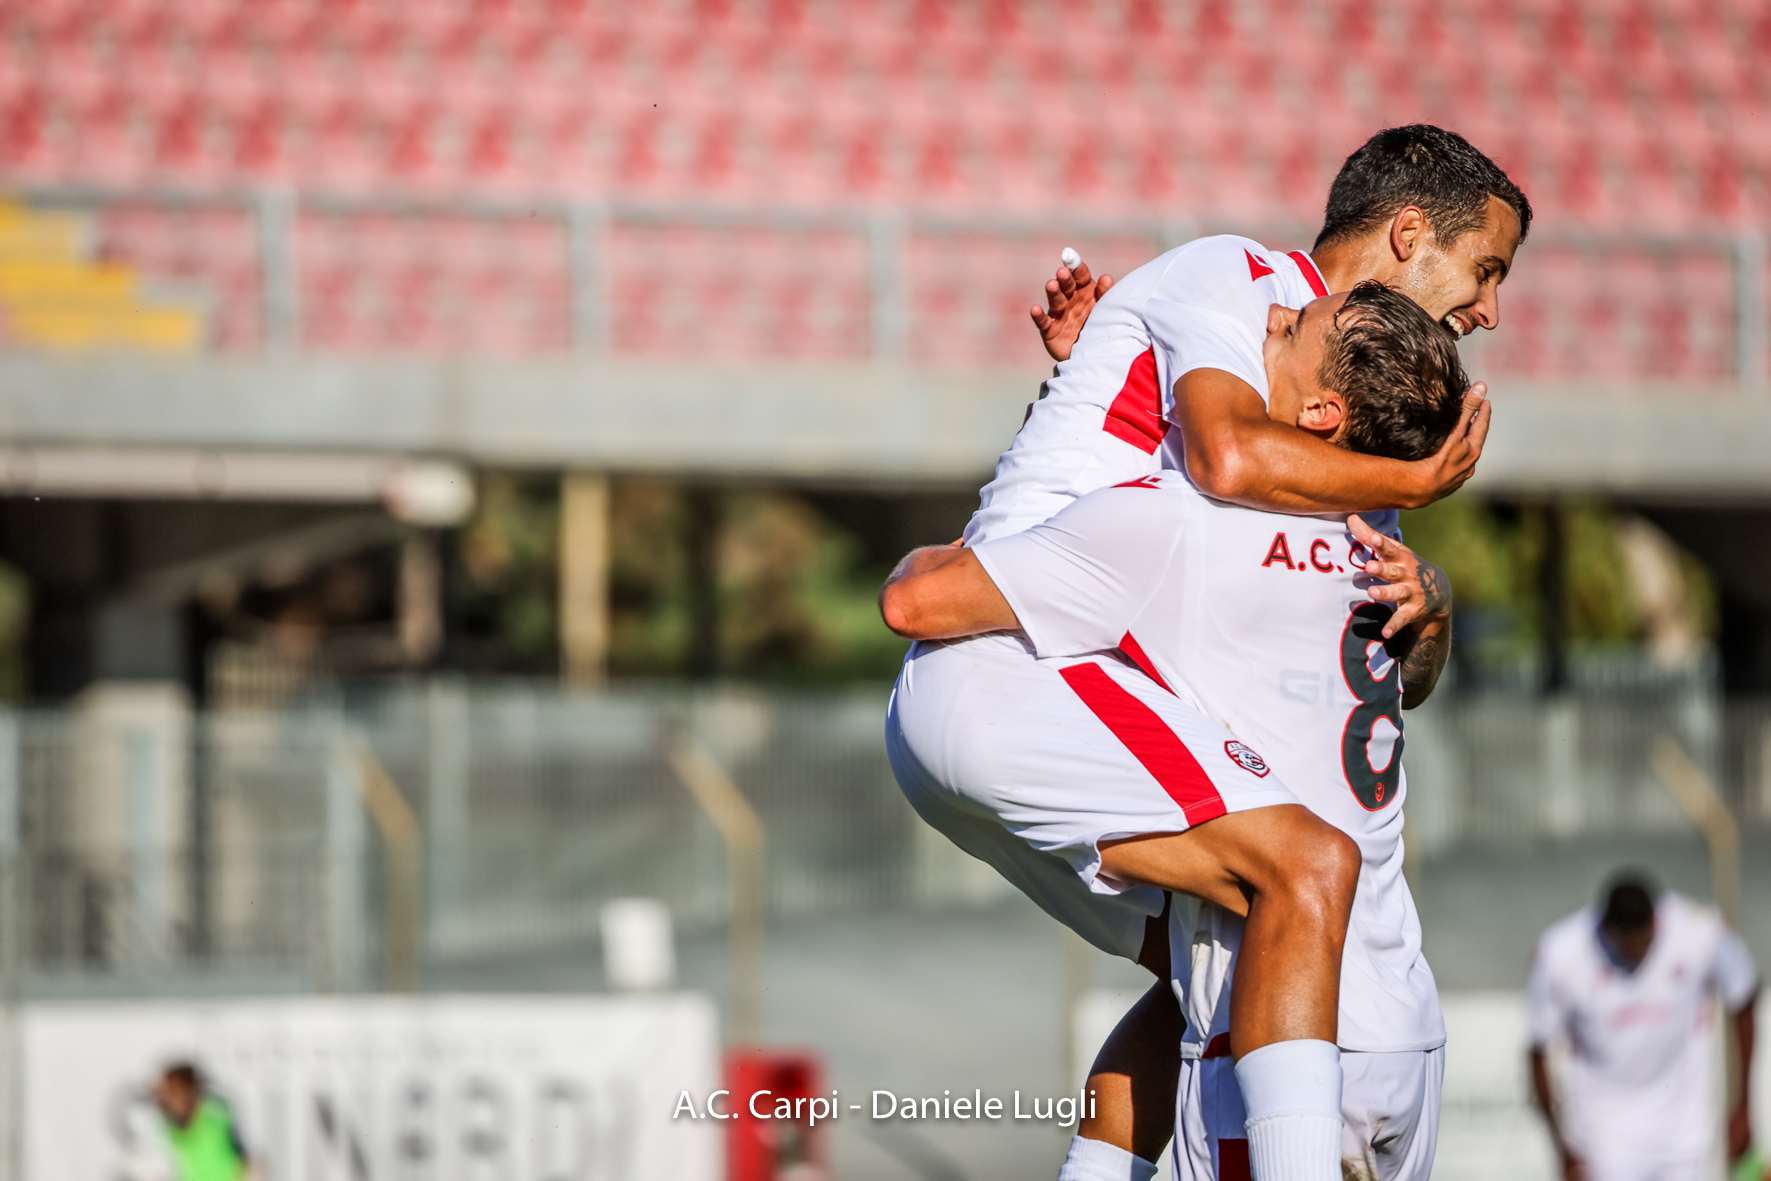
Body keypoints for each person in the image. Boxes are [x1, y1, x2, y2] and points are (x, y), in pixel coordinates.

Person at [886, 124, 1529, 1181]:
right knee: (1301, 864)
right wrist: (1420, 485)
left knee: (1213, 967)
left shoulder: (1332, 469)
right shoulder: (1242, 279)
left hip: (1032, 655)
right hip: (1011, 659)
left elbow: (1386, 674)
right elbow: (1222, 458)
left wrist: (1435, 598)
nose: (1489, 308)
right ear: (1409, 232)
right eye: (1485, 268)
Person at [1528, 872, 1762, 1181]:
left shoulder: (1697, 929)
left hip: (1684, 1137)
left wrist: (1743, 1106)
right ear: (1609, 933)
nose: (1641, 954)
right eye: (1630, 946)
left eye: (1646, 942)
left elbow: (1743, 995)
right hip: (1605, 1141)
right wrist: (1564, 1149)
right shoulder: (1561, 951)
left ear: (1655, 922)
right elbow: (1537, 1049)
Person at [152, 1063, 250, 1181]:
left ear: (191, 1089)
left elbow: (243, 1156)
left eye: (177, 1089)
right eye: (168, 1091)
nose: (173, 1097)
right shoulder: (163, 1131)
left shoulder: (216, 1116)